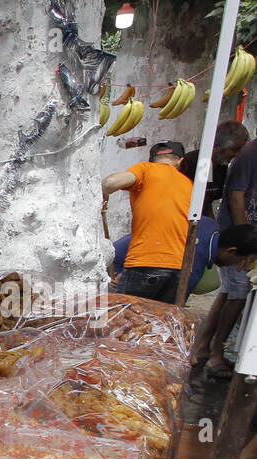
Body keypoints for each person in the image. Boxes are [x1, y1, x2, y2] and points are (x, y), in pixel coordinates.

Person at [194, 129, 257, 378]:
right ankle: (215, 353)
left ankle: (203, 347)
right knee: (238, 295)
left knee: (229, 292)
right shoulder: (250, 152)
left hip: (244, 240)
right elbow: (236, 197)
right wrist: (246, 241)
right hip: (239, 239)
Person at [101, 141, 192, 303]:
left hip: (145, 262)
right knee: (161, 323)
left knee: (122, 320)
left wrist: (105, 193)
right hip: (179, 267)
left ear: (152, 160)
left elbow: (111, 183)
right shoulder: (188, 184)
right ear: (180, 161)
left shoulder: (146, 169)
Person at [111, 222, 257, 297]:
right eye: (242, 262)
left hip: (122, 252)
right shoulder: (192, 266)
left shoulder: (209, 225)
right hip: (119, 269)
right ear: (231, 251)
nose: (239, 268)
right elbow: (170, 310)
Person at [178, 120, 249, 219]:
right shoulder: (196, 163)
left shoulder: (221, 166)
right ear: (216, 145)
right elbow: (199, 203)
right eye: (234, 149)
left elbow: (206, 203)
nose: (237, 154)